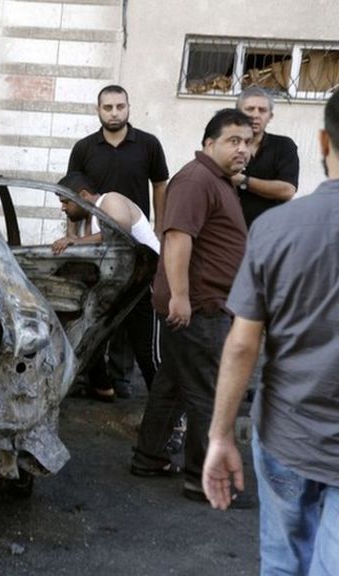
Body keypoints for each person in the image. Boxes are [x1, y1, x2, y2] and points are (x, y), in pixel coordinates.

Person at [202, 91, 339, 574]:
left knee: (283, 563)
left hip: (287, 435)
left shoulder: (277, 229)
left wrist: (220, 436)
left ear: (323, 140)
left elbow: (242, 343)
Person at [130, 109, 252, 506]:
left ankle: (149, 458)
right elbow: (178, 237)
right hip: (198, 307)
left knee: (173, 386)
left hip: (203, 305)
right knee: (208, 393)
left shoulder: (217, 181)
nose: (243, 149)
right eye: (234, 140)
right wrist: (180, 295)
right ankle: (203, 481)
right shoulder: (196, 179)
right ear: (209, 143)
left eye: (248, 142)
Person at [67, 85, 170, 399]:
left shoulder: (148, 145)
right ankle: (99, 380)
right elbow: (75, 197)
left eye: (119, 106)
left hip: (135, 247)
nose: (114, 112)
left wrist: (163, 231)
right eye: (108, 107)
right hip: (102, 247)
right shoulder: (84, 148)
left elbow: (161, 186)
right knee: (102, 311)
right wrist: (77, 240)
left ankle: (123, 380)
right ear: (98, 110)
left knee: (133, 318)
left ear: (128, 107)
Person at [52, 172, 160, 401]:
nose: (63, 208)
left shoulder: (109, 200)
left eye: (65, 202)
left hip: (148, 282)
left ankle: (170, 414)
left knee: (147, 352)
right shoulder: (90, 220)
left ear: (83, 195)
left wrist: (77, 241)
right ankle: (103, 387)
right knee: (89, 331)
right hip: (125, 285)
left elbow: (119, 231)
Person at [233, 86, 299, 226]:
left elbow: (287, 190)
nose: (256, 115)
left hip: (271, 233)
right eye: (250, 109)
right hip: (229, 234)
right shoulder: (225, 145)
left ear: (270, 116)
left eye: (262, 110)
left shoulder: (284, 146)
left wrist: (243, 180)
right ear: (237, 113)